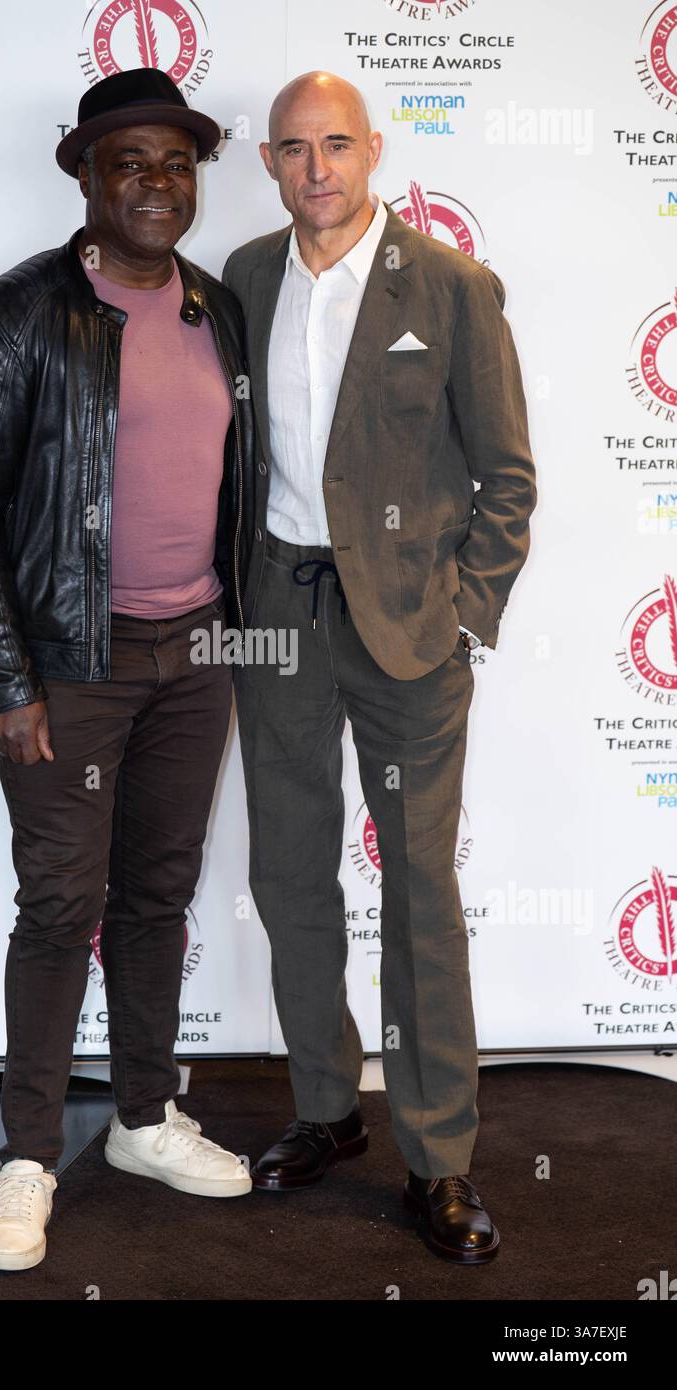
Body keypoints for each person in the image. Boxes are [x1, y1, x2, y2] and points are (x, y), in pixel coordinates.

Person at [0, 68, 255, 1273]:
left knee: (156, 894)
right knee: (62, 903)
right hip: (69, 662)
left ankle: (145, 1117)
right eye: (130, 163)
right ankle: (22, 1154)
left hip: (197, 649)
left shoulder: (218, 312)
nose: (157, 184)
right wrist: (3, 678)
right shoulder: (12, 316)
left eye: (176, 163)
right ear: (83, 176)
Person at [224, 71, 537, 1264]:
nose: (317, 168)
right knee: (289, 873)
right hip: (276, 617)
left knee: (416, 893)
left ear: (372, 151)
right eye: (295, 148)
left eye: (336, 144)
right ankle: (320, 1109)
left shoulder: (449, 286)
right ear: (268, 162)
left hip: (408, 632)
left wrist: (464, 610)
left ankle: (436, 1158)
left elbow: (507, 475)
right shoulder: (244, 280)